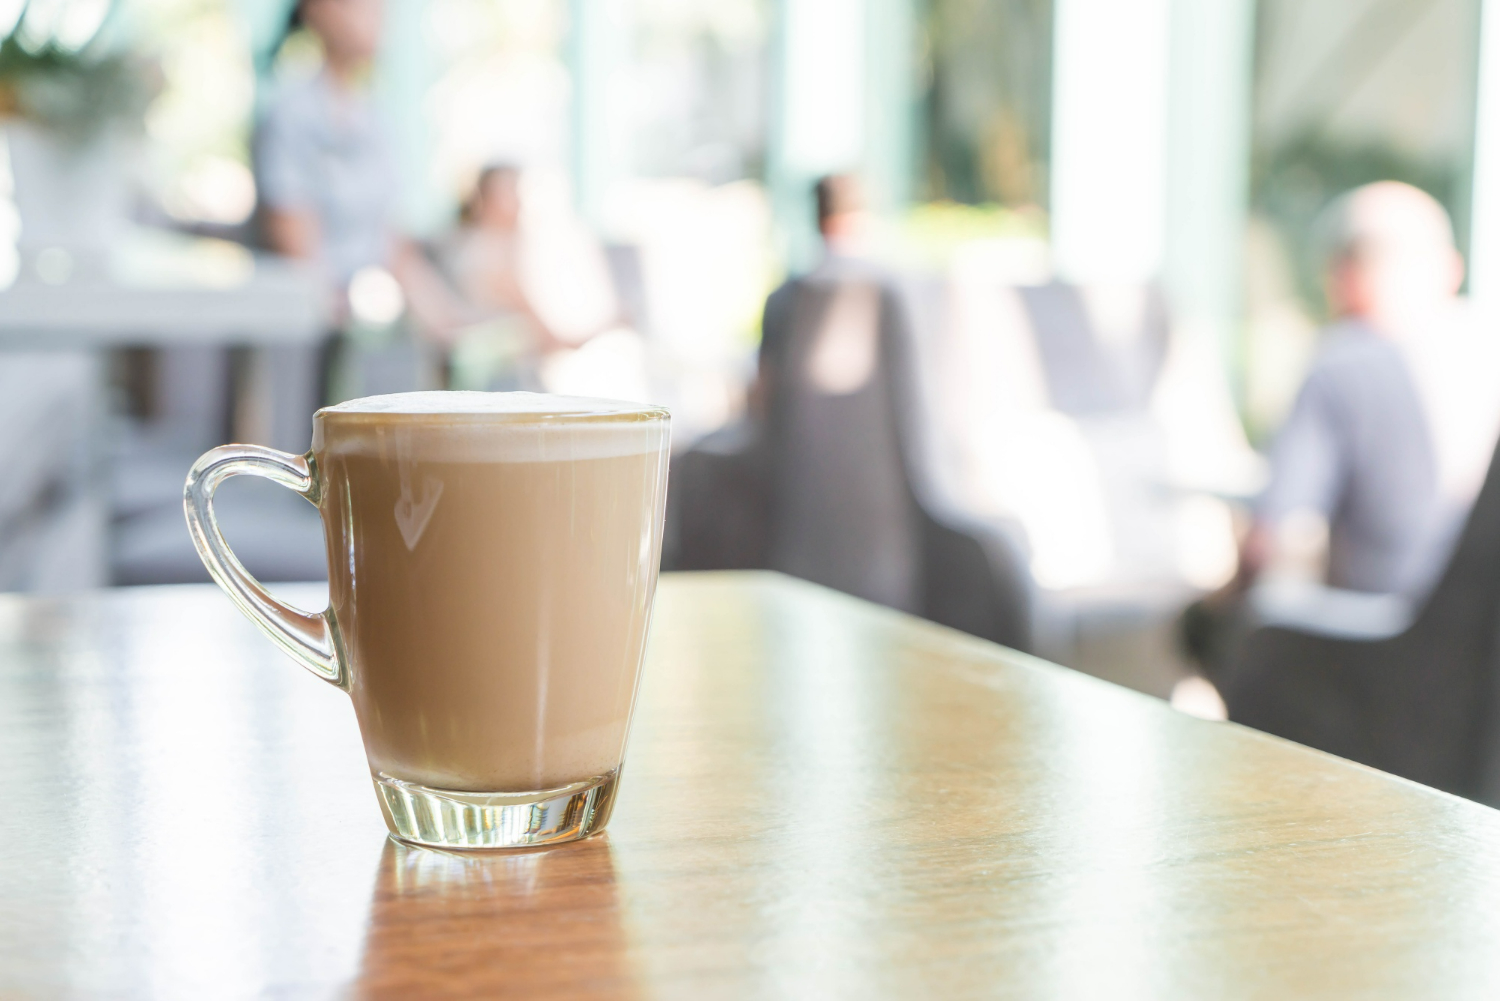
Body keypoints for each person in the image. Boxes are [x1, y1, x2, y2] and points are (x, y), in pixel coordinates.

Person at [1184, 182, 1500, 671]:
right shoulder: (1483, 351)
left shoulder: (1345, 362)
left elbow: (1278, 533)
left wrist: (1216, 604)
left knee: (1209, 630)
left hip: (1385, 649)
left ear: (1342, 276)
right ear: (1451, 270)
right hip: (1479, 673)